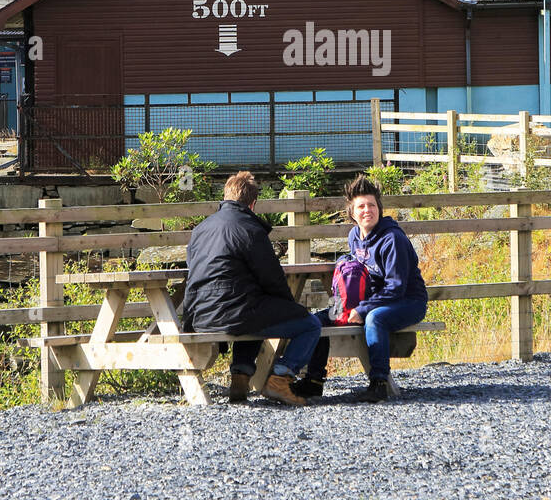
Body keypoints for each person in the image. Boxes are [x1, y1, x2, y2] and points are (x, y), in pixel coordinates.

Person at [182, 170, 321, 406]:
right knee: (310, 324)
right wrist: (289, 306)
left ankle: (241, 374)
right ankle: (280, 378)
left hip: (199, 315)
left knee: (255, 310)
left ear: (225, 196)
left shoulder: (200, 230)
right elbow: (272, 278)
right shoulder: (251, 229)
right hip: (237, 313)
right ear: (253, 203)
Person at [291, 174, 428, 403]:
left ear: (379, 208)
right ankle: (313, 381)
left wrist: (362, 309)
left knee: (375, 318)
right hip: (372, 299)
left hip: (407, 301)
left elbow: (396, 287)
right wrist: (345, 307)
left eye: (372, 205)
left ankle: (379, 383)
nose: (367, 210)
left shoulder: (393, 239)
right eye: (361, 206)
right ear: (352, 213)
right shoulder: (354, 235)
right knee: (319, 319)